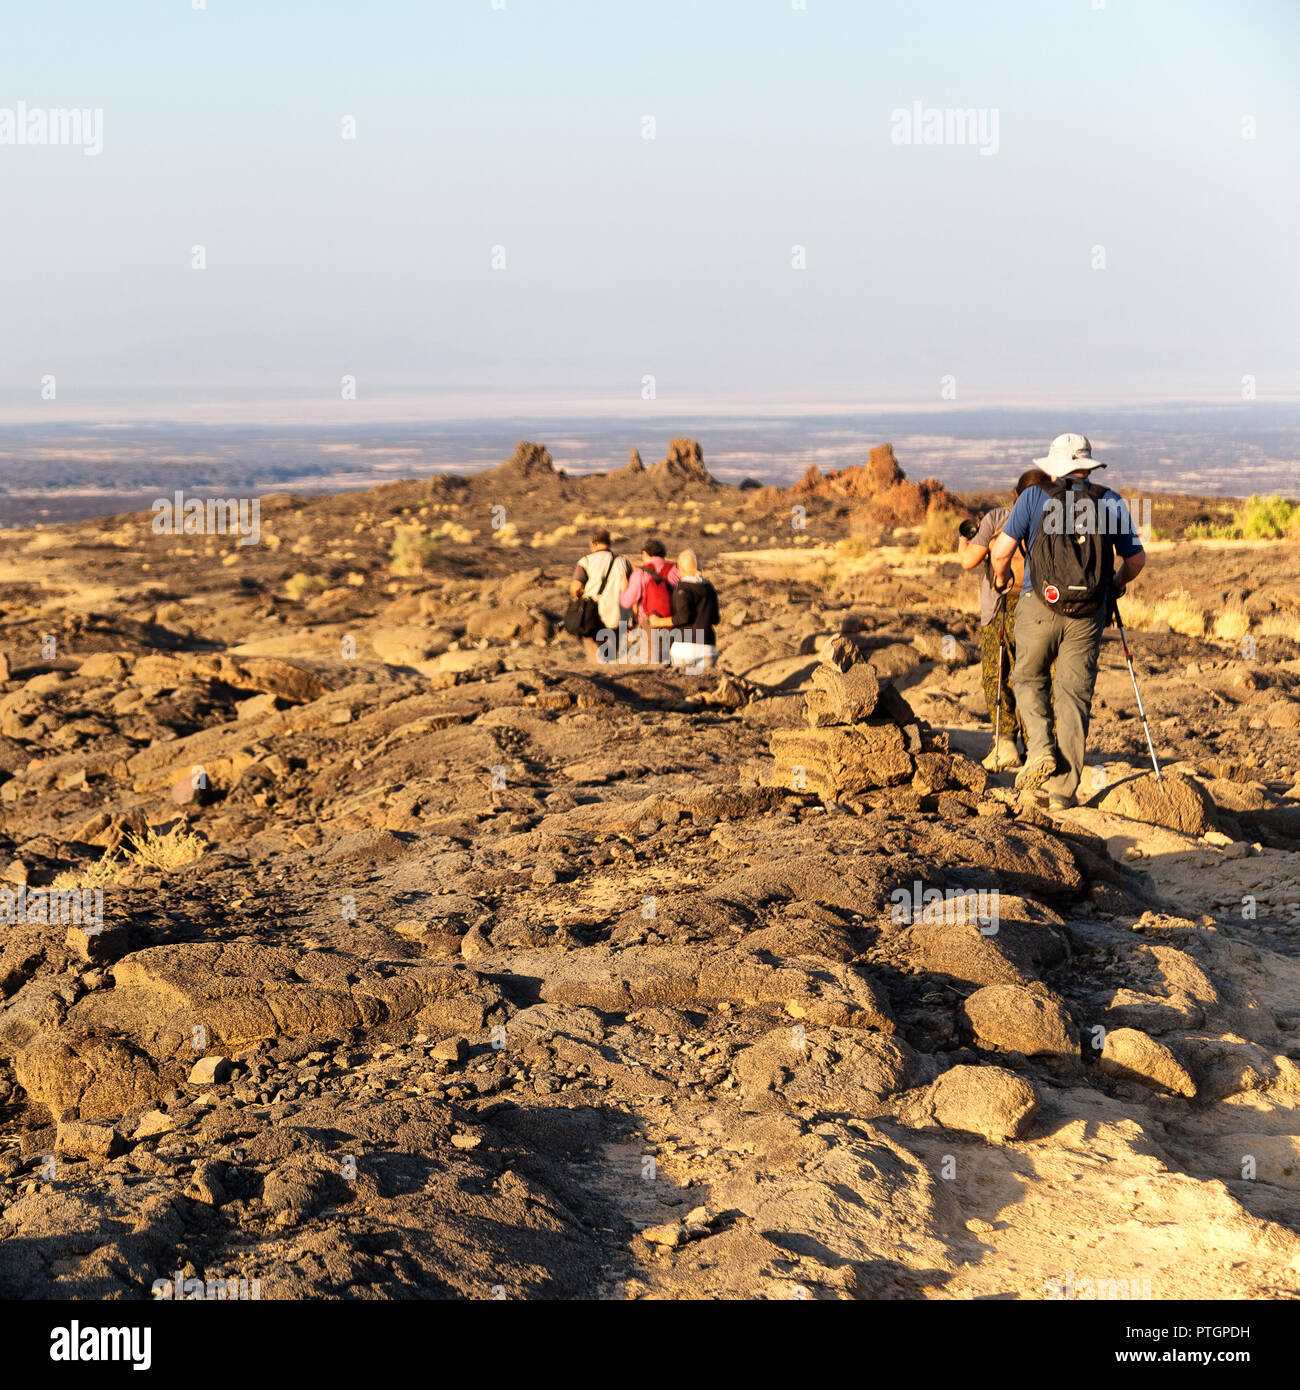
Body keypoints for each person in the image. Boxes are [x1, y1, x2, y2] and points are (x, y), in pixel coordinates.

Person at [989, 433, 1146, 811]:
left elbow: (1001, 552)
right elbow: (1137, 561)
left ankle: (1040, 748)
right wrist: (1115, 584)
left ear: (1056, 467)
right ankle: (1062, 793)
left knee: (1027, 677)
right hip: (1089, 613)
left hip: (1039, 605)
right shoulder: (1109, 501)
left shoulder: (1032, 497)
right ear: (1088, 466)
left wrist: (1002, 579)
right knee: (1074, 697)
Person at [958, 468, 1049, 771]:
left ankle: (1005, 743)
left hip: (998, 606)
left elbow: (969, 561)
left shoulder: (998, 518)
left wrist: (963, 538)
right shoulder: (1053, 518)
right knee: (1034, 676)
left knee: (997, 674)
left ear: (1015, 495)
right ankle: (1038, 745)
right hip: (1038, 610)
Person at [569, 529, 630, 664]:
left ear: (592, 544)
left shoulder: (586, 561)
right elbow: (627, 587)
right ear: (609, 543)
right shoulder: (622, 562)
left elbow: (576, 587)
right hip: (617, 613)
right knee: (612, 654)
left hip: (592, 614)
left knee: (594, 654)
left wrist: (578, 597)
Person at [619, 538, 680, 663]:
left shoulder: (640, 573)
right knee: (672, 661)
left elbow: (627, 602)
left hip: (650, 623)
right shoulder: (676, 569)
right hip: (674, 621)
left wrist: (623, 589)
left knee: (652, 662)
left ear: (644, 554)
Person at [669, 549, 721, 671]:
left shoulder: (682, 587)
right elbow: (715, 619)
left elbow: (684, 617)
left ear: (680, 567)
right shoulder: (709, 588)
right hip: (707, 646)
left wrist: (660, 622)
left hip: (684, 647)